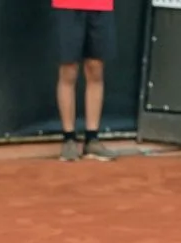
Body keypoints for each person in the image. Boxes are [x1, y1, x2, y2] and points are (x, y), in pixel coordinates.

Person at [53, 0, 117, 162]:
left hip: (100, 6)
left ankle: (92, 139)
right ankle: (68, 139)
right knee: (69, 70)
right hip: (67, 6)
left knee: (95, 68)